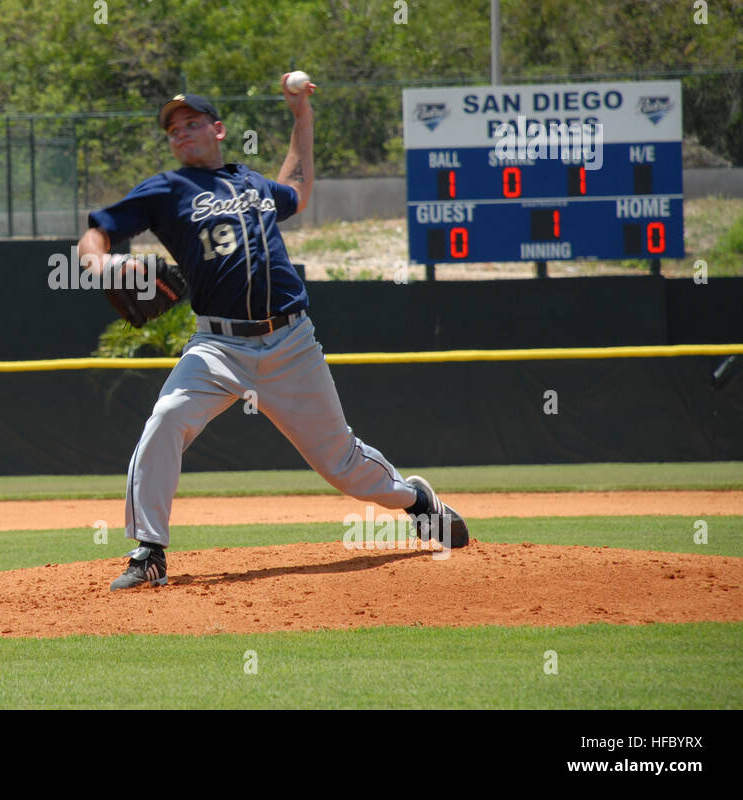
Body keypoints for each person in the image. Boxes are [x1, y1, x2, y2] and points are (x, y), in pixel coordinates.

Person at [77, 78, 470, 591]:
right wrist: (103, 264)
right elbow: (97, 232)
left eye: (192, 122)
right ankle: (149, 549)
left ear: (218, 130)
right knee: (168, 417)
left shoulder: (254, 185)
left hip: (290, 343)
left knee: (342, 464)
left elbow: (299, 190)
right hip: (218, 347)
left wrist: (301, 114)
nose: (181, 133)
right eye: (173, 128)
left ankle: (418, 501)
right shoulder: (165, 190)